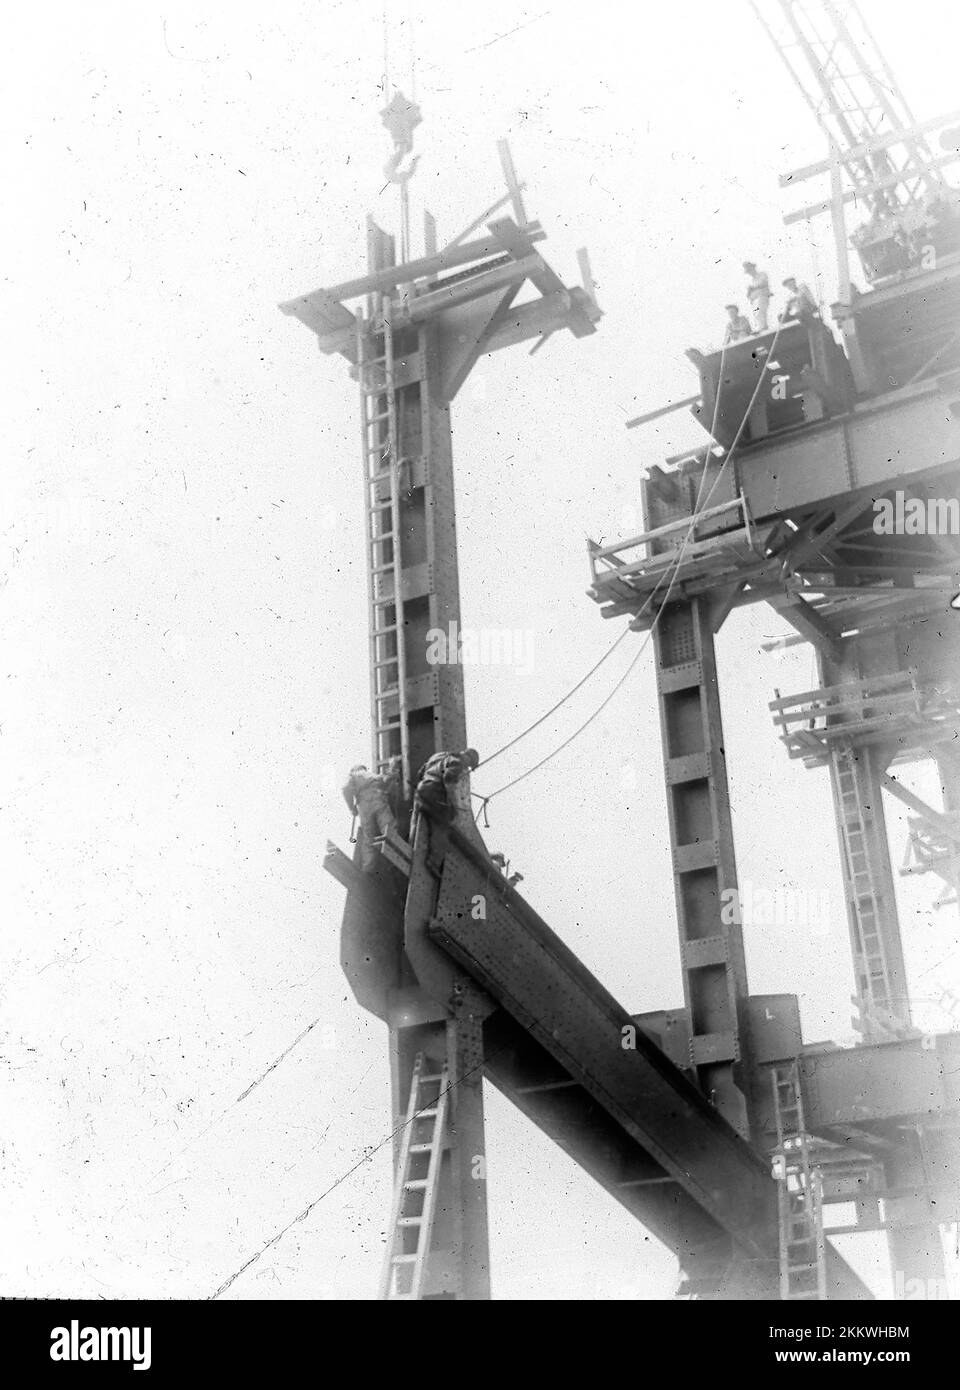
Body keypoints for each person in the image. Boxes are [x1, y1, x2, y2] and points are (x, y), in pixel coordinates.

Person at [342, 763, 398, 872]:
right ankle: (396, 856)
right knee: (389, 829)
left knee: (368, 838)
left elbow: (345, 789)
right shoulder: (371, 775)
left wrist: (352, 808)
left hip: (364, 805)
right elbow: (386, 780)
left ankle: (368, 868)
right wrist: (393, 769)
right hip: (379, 799)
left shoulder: (353, 776)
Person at [415, 748, 480, 824]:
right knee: (449, 817)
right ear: (468, 758)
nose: (466, 767)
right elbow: (449, 781)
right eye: (469, 764)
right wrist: (454, 804)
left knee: (416, 825)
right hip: (433, 793)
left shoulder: (439, 755)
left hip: (420, 790)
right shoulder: (458, 762)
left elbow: (420, 773)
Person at [743, 261, 771, 332]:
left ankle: (762, 327)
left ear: (753, 268)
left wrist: (752, 287)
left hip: (762, 296)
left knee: (760, 311)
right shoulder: (752, 280)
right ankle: (760, 327)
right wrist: (749, 293)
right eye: (748, 271)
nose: (750, 272)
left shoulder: (762, 274)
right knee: (756, 313)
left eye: (750, 270)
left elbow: (763, 283)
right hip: (754, 299)